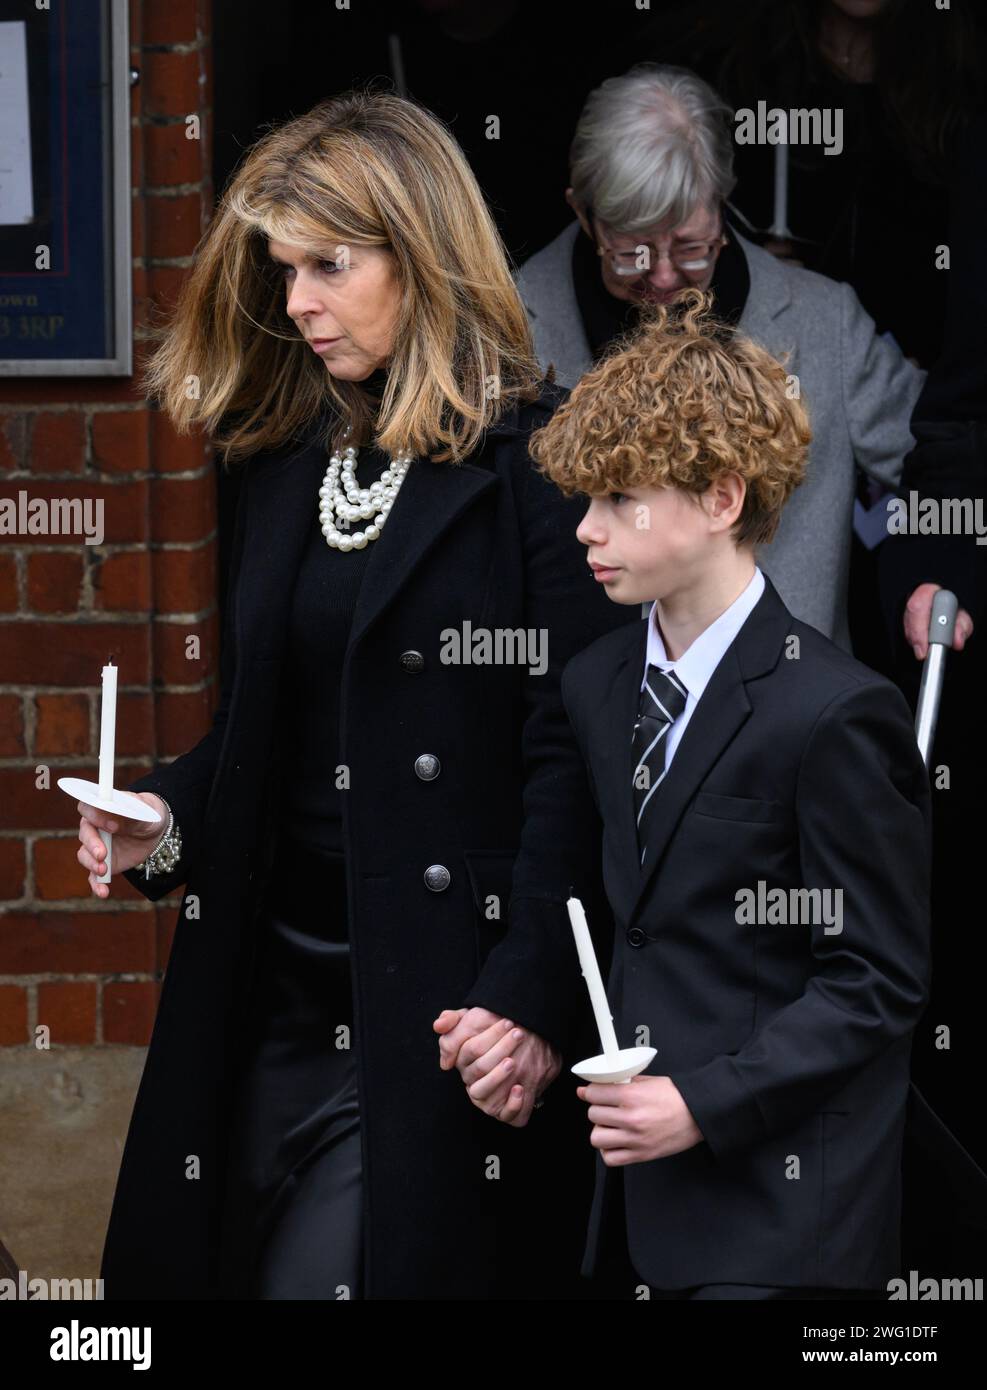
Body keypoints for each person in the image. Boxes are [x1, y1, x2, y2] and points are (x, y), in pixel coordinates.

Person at [73, 88, 635, 1300]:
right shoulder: (289, 468)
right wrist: (163, 823)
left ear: (422, 253)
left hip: (437, 1002)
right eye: (283, 271)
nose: (297, 305)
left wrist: (532, 994)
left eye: (330, 265)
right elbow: (263, 740)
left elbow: (577, 761)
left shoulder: (542, 462)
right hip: (269, 986)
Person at [498, 288, 932, 1297]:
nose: (585, 532)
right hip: (634, 1220)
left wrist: (701, 1102)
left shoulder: (837, 711)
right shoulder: (597, 684)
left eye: (620, 499)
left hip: (785, 1230)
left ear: (723, 498)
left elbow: (876, 980)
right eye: (586, 500)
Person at [514, 61, 928, 654]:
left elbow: (943, 463)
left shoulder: (825, 321)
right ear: (582, 213)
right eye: (631, 250)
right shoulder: (508, 326)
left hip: (786, 721)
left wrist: (934, 567)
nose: (662, 277)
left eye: (690, 246)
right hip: (578, 724)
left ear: (723, 204)